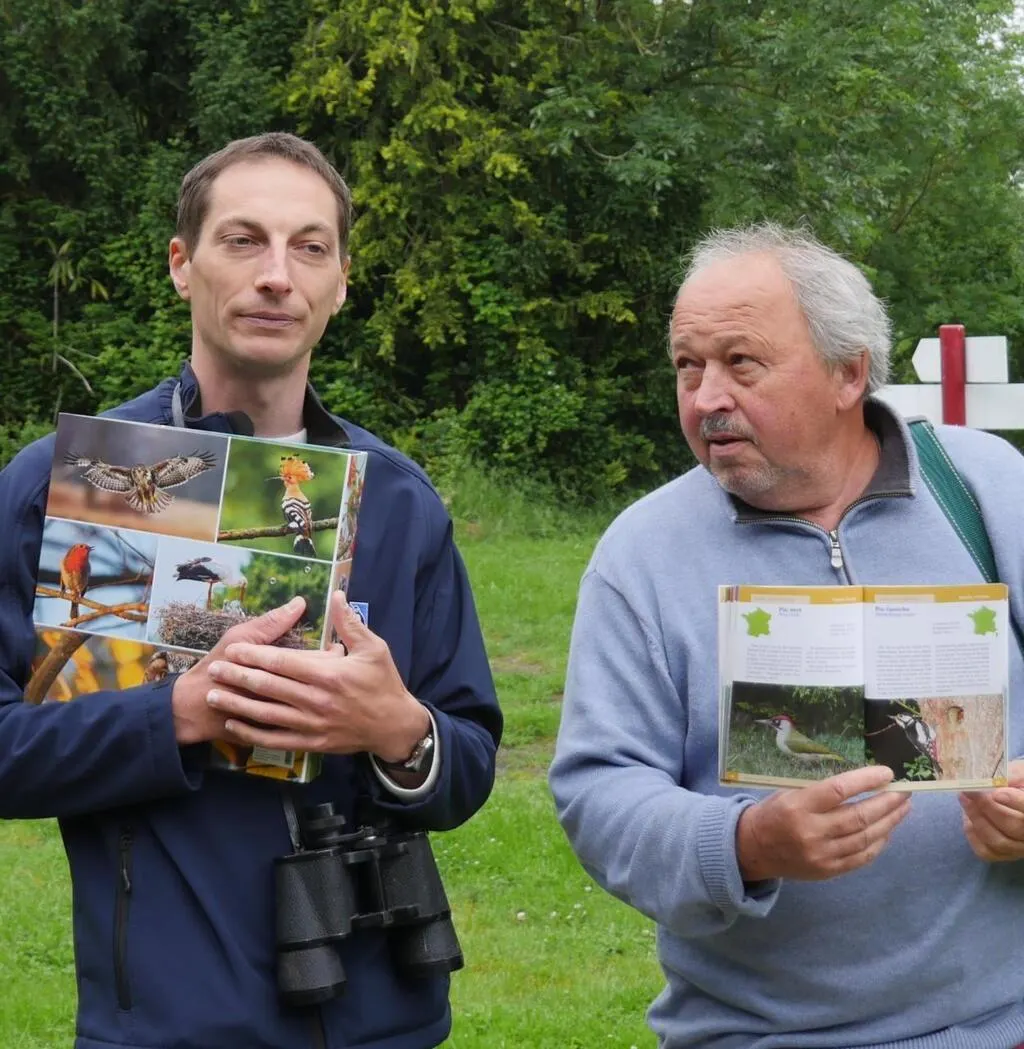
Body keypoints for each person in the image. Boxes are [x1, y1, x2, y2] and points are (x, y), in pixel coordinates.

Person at [0, 133, 501, 1049]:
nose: (277, 275)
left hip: (384, 1019)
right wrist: (177, 715)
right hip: (169, 1024)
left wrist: (399, 731)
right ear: (182, 264)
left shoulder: (398, 500)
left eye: (310, 247)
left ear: (340, 283)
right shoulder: (66, 485)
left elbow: (467, 759)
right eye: (243, 240)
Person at [549, 223, 1024, 1049]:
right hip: (762, 1035)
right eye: (688, 366)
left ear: (849, 373)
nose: (706, 398)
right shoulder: (643, 553)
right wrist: (745, 843)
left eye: (742, 363)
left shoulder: (988, 488)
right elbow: (600, 793)